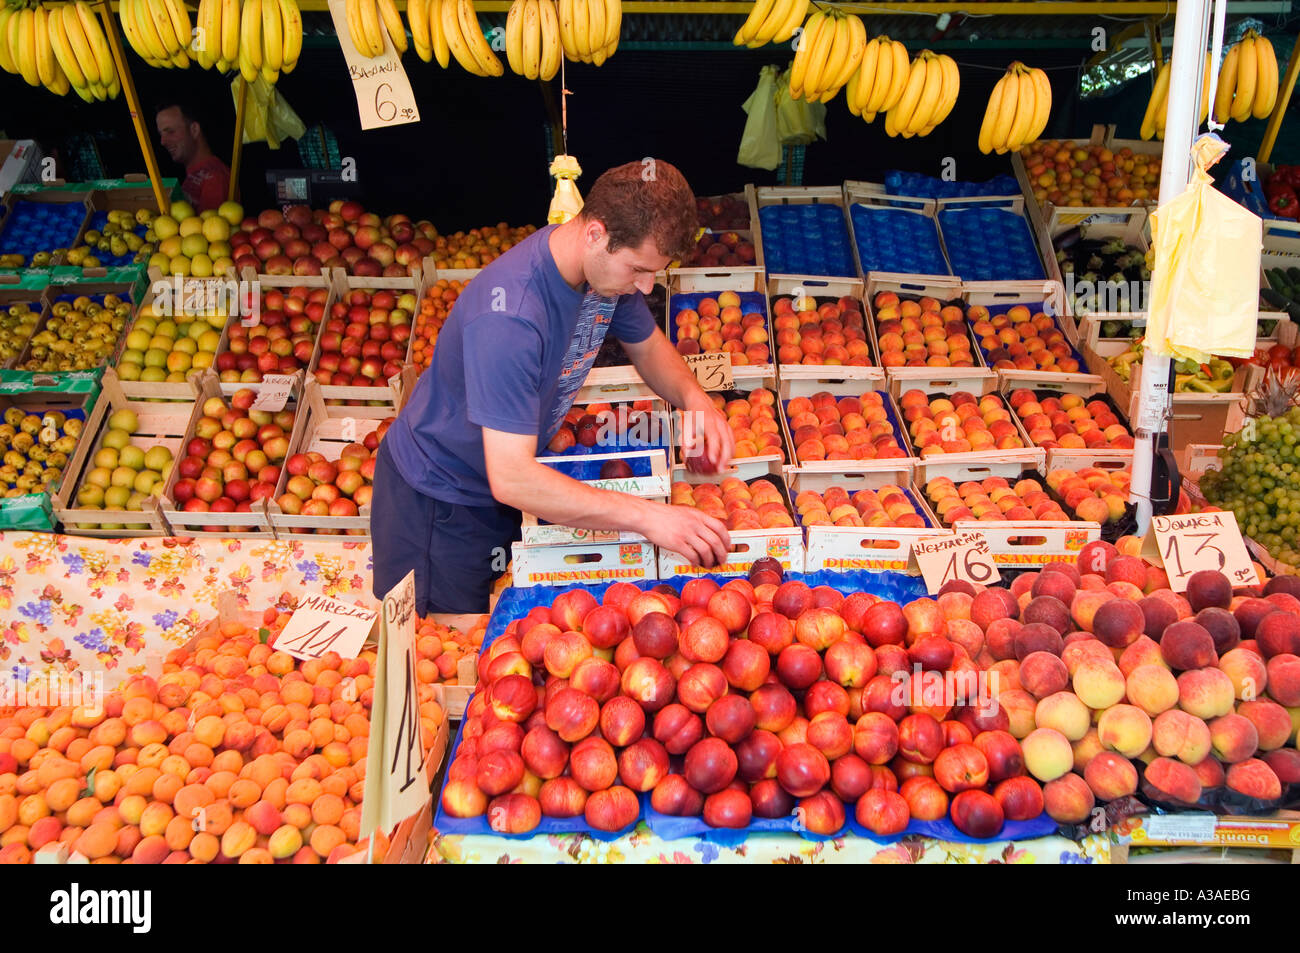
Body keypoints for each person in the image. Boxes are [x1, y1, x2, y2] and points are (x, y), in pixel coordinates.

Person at [373, 159, 736, 614]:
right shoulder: (511, 319)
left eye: (655, 273)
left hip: (499, 484)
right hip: (441, 503)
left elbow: (647, 346)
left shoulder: (601, 277)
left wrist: (693, 398)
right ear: (595, 233)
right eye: (639, 269)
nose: (645, 287)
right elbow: (512, 478)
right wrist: (648, 517)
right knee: (452, 651)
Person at [155, 101, 231, 212]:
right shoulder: (196, 173)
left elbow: (211, 227)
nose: (163, 141)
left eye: (170, 132)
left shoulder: (215, 176)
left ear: (194, 130)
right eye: (161, 134)